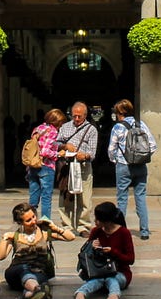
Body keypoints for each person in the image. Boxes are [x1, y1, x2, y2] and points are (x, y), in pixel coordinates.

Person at [0, 202, 74, 299]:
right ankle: (37, 289)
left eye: (34, 217)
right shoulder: (15, 236)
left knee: (36, 278)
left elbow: (70, 237)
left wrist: (55, 227)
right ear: (20, 223)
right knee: (24, 268)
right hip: (16, 272)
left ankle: (29, 295)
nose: (33, 221)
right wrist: (5, 238)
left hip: (38, 271)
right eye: (28, 220)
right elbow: (1, 256)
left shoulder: (44, 233)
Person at [72, 202, 133, 299]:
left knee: (111, 278)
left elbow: (130, 259)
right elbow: (86, 254)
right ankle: (81, 293)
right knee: (98, 279)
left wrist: (112, 252)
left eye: (98, 219)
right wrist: (93, 246)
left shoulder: (124, 233)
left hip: (120, 272)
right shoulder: (96, 231)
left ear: (107, 221)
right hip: (99, 270)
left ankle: (114, 295)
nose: (95, 222)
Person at [108, 99, 154, 241]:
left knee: (122, 198)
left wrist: (116, 160)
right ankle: (145, 231)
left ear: (120, 113)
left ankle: (120, 230)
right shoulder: (141, 124)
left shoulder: (117, 128)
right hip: (141, 166)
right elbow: (153, 145)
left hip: (123, 165)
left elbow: (111, 149)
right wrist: (143, 157)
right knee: (141, 197)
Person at [56, 103, 99, 234]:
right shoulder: (65, 127)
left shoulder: (91, 129)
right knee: (66, 197)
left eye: (79, 116)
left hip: (83, 166)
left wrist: (84, 155)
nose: (76, 118)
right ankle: (66, 226)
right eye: (74, 116)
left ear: (85, 115)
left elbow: (93, 153)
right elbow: (56, 143)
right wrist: (64, 147)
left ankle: (83, 226)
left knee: (84, 199)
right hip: (67, 166)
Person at [25, 109, 64, 221]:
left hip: (33, 165)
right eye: (60, 122)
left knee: (33, 198)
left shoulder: (38, 129)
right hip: (46, 166)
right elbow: (45, 151)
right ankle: (45, 224)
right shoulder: (52, 131)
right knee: (46, 198)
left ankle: (29, 222)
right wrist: (58, 154)